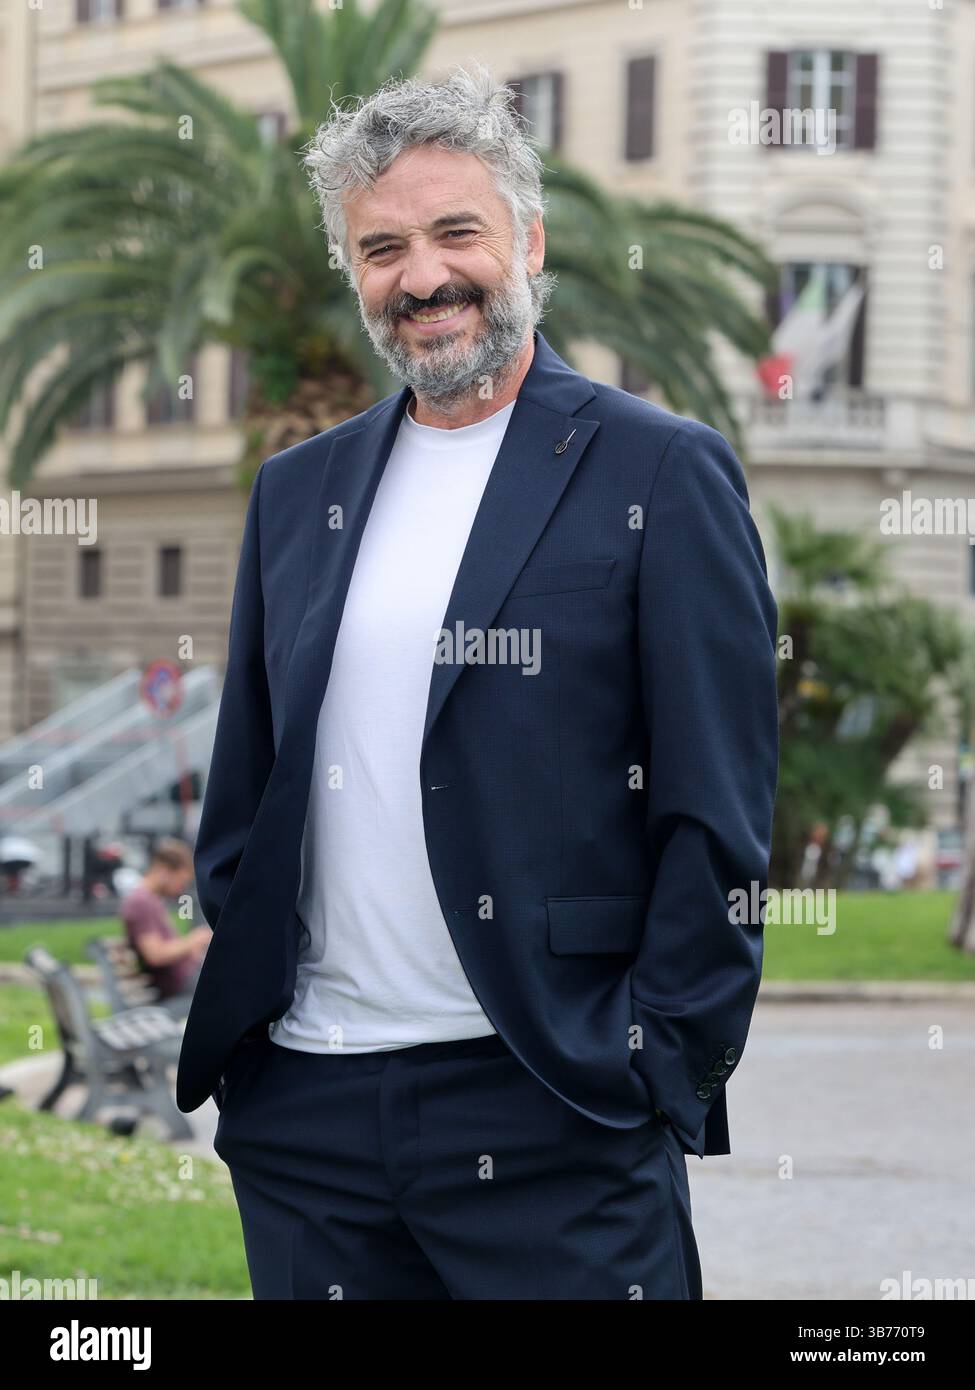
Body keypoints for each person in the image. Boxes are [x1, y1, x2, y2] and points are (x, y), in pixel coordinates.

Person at [176, 65, 779, 1300]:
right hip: (313, 1118)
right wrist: (256, 1054)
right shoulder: (298, 493)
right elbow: (246, 785)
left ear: (531, 240)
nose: (423, 276)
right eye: (382, 247)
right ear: (357, 273)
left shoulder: (660, 471)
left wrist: (656, 1065)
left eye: (457, 232)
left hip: (555, 1108)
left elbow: (716, 812)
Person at [120, 839, 210, 1018]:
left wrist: (189, 949)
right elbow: (156, 954)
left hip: (186, 982)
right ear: (164, 870)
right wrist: (193, 940)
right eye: (181, 881)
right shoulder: (141, 902)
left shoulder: (150, 900)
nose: (181, 888)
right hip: (178, 991)